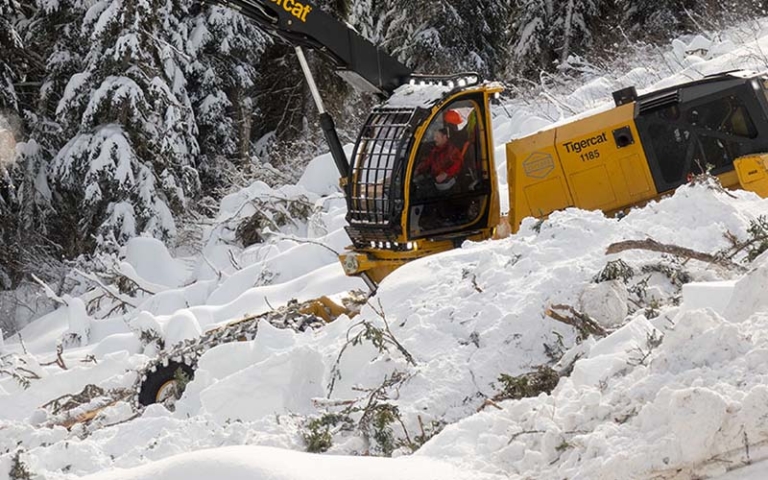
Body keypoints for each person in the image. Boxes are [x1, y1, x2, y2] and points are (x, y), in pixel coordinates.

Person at [415, 127, 463, 192]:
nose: (435, 139)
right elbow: (427, 162)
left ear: (444, 137)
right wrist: (417, 170)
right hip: (435, 181)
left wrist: (446, 174)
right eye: (434, 137)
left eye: (437, 137)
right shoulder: (435, 151)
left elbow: (458, 164)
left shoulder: (452, 150)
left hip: (448, 186)